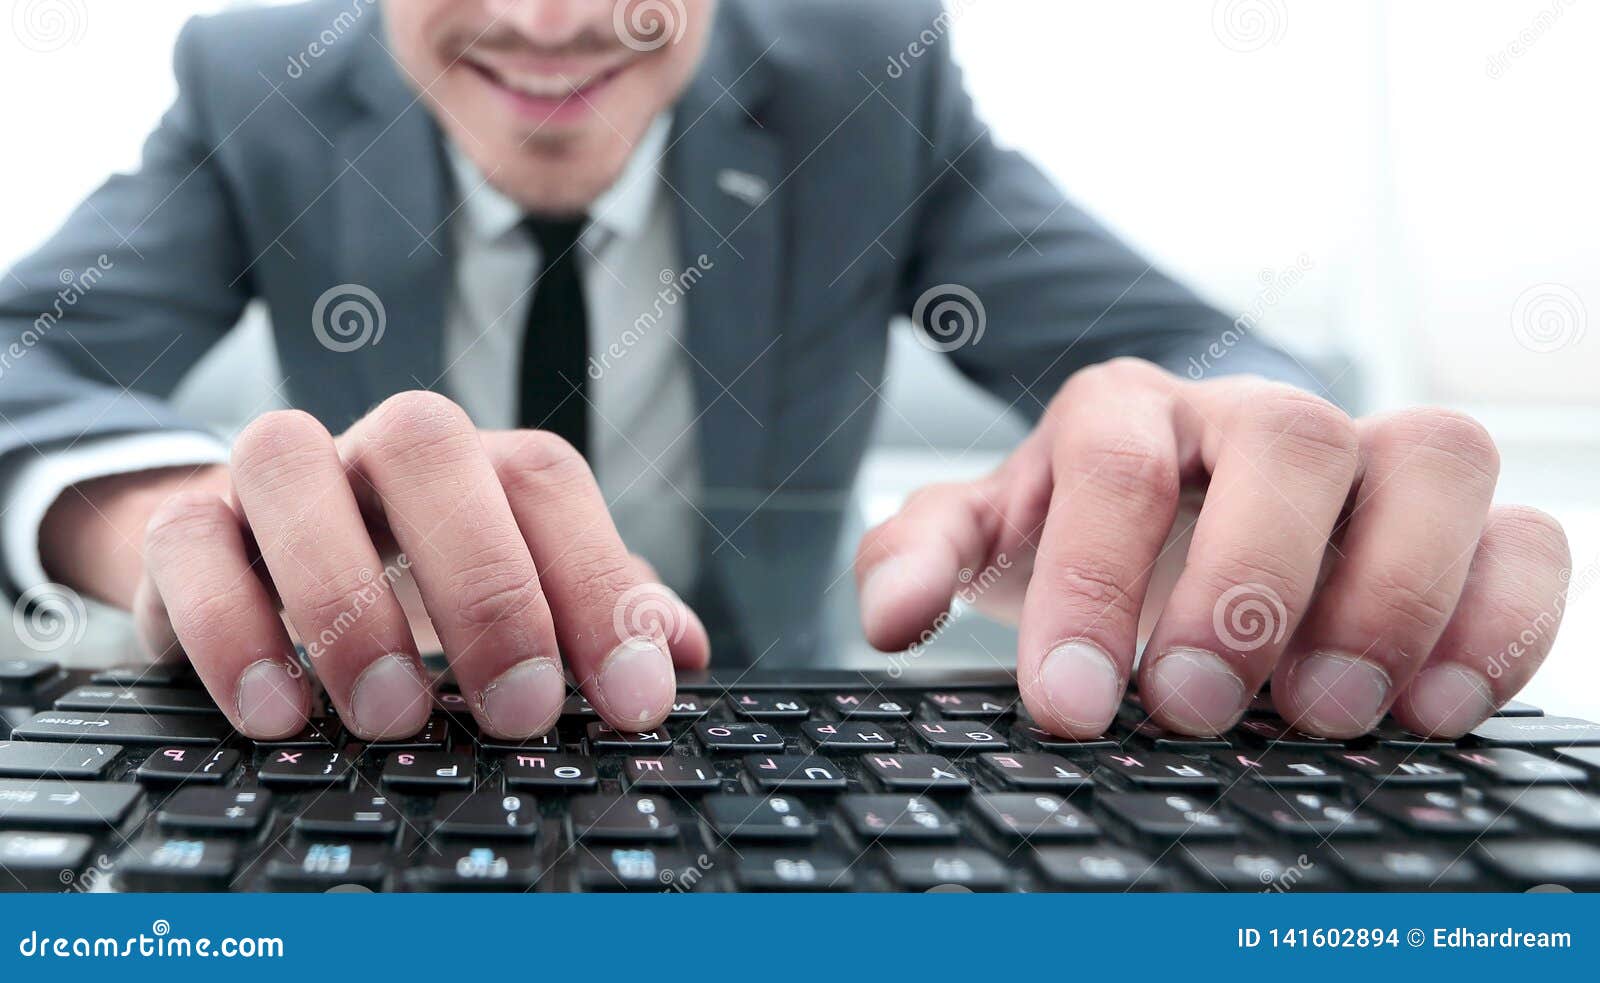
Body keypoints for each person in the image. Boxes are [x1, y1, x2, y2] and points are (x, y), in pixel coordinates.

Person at [0, 0, 1569, 749]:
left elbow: (1225, 360)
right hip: (388, 746)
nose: (552, 25)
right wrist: (168, 510)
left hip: (787, 738)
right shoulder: (254, 86)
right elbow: (22, 357)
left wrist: (1220, 463)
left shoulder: (860, 79)